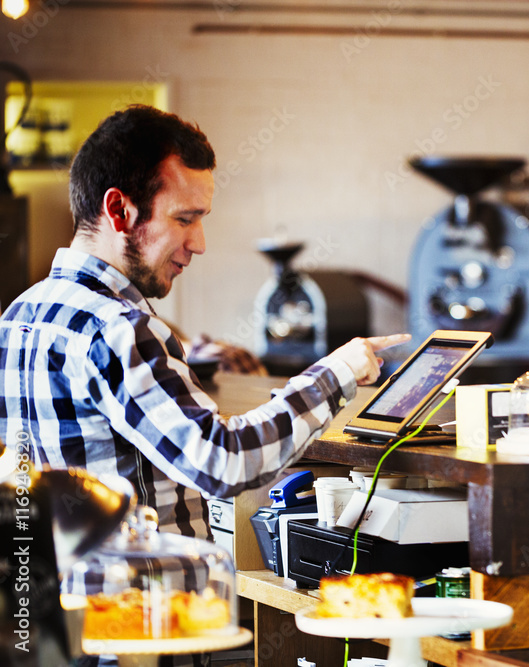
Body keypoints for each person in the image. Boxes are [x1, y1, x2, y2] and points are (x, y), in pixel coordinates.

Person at [0, 105, 410, 540]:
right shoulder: (117, 328)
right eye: (184, 219)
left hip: (64, 581)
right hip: (148, 584)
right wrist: (337, 373)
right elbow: (223, 461)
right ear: (119, 210)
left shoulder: (16, 318)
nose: (199, 243)